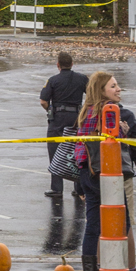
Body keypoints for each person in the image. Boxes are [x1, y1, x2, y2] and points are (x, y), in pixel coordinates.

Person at [74, 71, 136, 271]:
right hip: (107, 175)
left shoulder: (86, 111)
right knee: (121, 224)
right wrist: (124, 131)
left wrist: (79, 184)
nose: (118, 89)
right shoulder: (110, 110)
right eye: (113, 86)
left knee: (92, 227)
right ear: (102, 90)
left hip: (87, 173)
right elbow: (113, 139)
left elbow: (80, 150)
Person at [40, 52, 88, 199]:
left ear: (58, 65)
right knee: (78, 150)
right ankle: (79, 187)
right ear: (72, 64)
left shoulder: (53, 80)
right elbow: (92, 95)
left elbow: (43, 101)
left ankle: (57, 188)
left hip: (58, 118)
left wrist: (50, 110)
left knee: (55, 150)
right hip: (76, 117)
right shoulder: (82, 79)